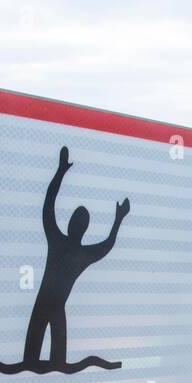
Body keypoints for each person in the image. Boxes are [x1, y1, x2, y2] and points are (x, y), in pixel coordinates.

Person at [22, 146, 130, 368]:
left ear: (74, 226)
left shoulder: (59, 241)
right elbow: (107, 244)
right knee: (53, 362)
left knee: (38, 361)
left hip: (45, 304)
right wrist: (118, 220)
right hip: (53, 306)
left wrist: (61, 172)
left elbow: (48, 204)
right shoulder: (80, 252)